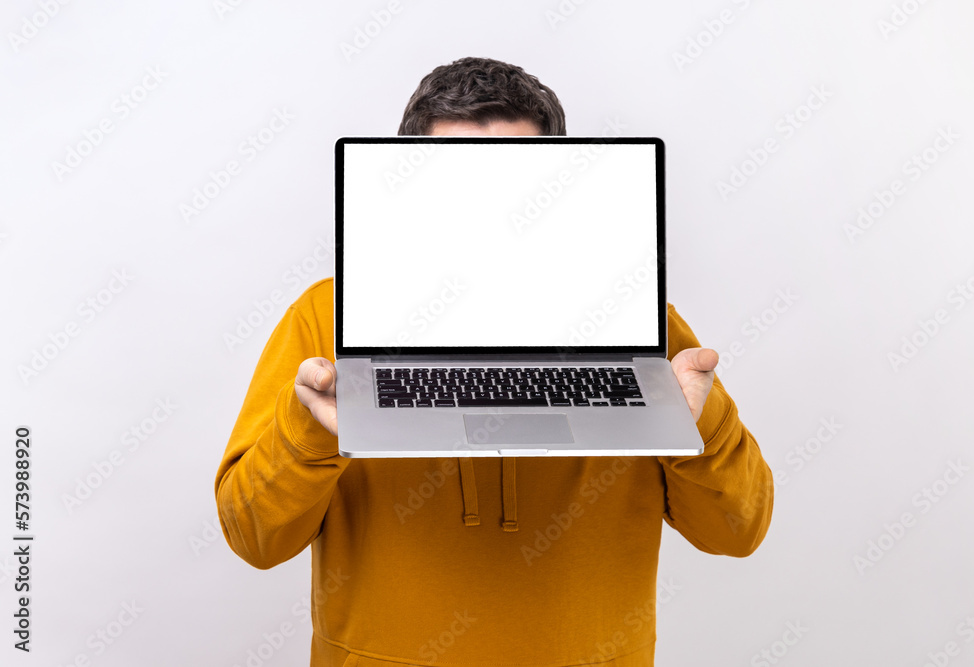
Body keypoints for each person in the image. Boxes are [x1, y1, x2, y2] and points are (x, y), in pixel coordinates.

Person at [215, 56, 773, 667]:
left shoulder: (637, 324)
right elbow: (254, 539)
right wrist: (308, 437)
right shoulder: (325, 318)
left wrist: (698, 428)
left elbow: (737, 532)